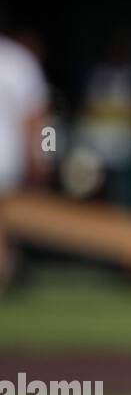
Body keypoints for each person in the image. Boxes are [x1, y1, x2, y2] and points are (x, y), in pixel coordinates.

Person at [0, 27, 50, 290]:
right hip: (8, 159)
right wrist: (42, 159)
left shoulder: (18, 60)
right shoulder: (20, 61)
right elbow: (38, 121)